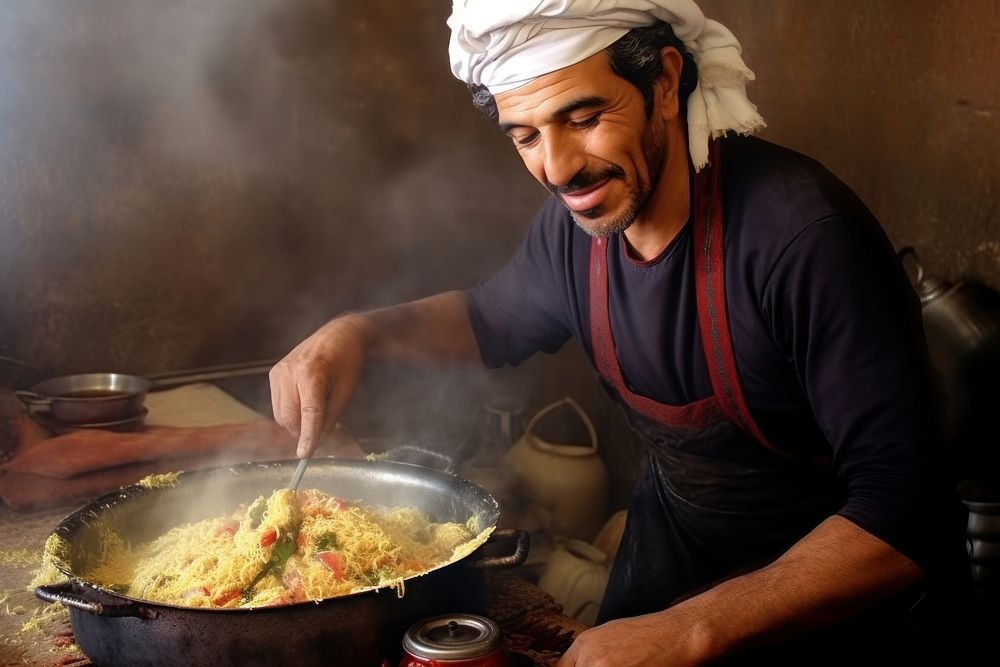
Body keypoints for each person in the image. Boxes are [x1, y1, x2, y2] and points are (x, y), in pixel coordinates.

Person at [269, 1, 974, 664]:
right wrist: (358, 332)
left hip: (828, 620)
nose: (558, 167)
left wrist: (691, 630)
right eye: (526, 136)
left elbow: (905, 515)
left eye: (583, 118)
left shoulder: (801, 239)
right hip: (665, 571)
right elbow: (487, 320)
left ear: (665, 81)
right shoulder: (576, 231)